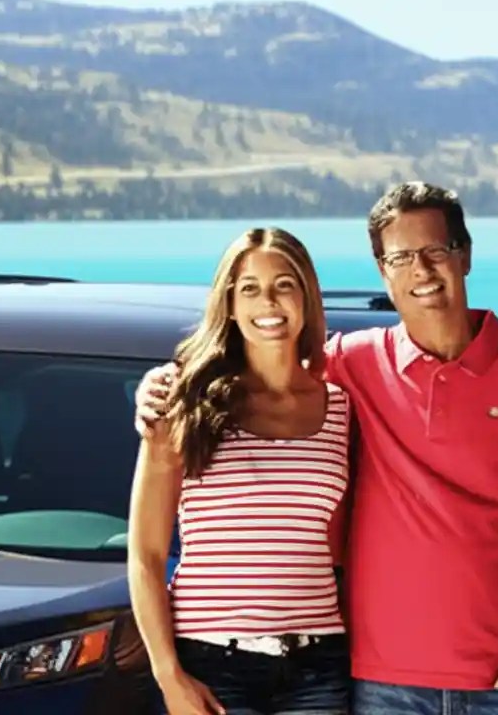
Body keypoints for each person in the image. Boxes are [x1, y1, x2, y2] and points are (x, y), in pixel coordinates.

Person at [133, 183, 498, 715]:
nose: (422, 271)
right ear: (382, 270)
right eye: (403, 257)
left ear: (466, 254)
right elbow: (262, 364)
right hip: (381, 684)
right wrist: (163, 383)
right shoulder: (349, 367)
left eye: (436, 251)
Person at [127, 227, 356, 715]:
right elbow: (145, 553)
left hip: (318, 666)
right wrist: (169, 677)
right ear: (229, 303)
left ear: (306, 297)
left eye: (283, 285)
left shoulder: (340, 407)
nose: (267, 302)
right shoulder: (182, 401)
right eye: (249, 288)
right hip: (211, 665)